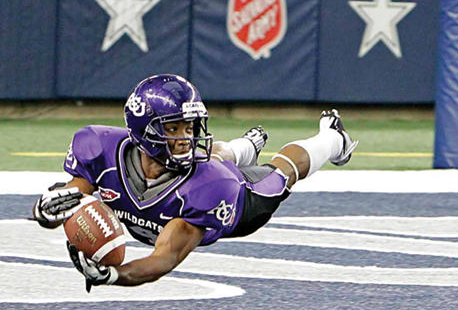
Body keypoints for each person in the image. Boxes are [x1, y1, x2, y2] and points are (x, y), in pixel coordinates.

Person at [32, 74, 358, 291]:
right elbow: (69, 199)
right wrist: (45, 211)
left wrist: (117, 275)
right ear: (144, 129)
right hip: (194, 177)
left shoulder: (211, 186)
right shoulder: (98, 147)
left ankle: (331, 138)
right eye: (173, 128)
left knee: (280, 173)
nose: (186, 137)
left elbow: (165, 257)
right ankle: (242, 148)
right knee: (206, 160)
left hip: (233, 207)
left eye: (190, 127)